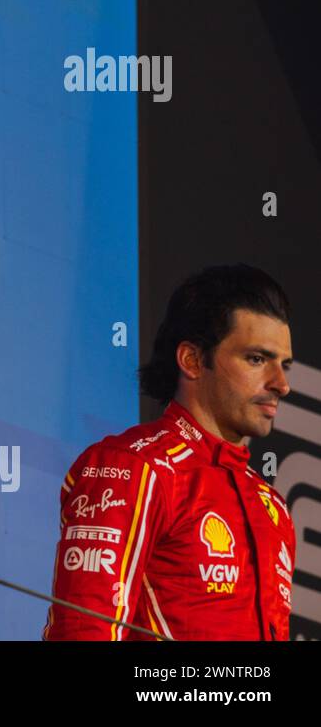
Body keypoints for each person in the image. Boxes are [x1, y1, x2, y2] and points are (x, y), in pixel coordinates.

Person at [44, 264, 296, 640]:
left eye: (284, 364)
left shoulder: (272, 508)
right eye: (257, 359)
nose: (281, 384)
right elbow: (82, 631)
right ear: (192, 361)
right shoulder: (133, 467)